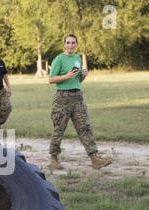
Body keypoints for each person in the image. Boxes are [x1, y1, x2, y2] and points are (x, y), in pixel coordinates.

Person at [48, 34, 112, 170]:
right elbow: (51, 79)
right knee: (59, 129)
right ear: (64, 45)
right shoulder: (59, 59)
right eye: (68, 43)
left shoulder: (77, 58)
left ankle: (95, 159)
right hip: (62, 98)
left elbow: (77, 80)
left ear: (76, 45)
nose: (70, 45)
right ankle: (54, 159)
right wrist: (66, 76)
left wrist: (83, 76)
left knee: (85, 128)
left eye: (73, 43)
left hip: (77, 97)